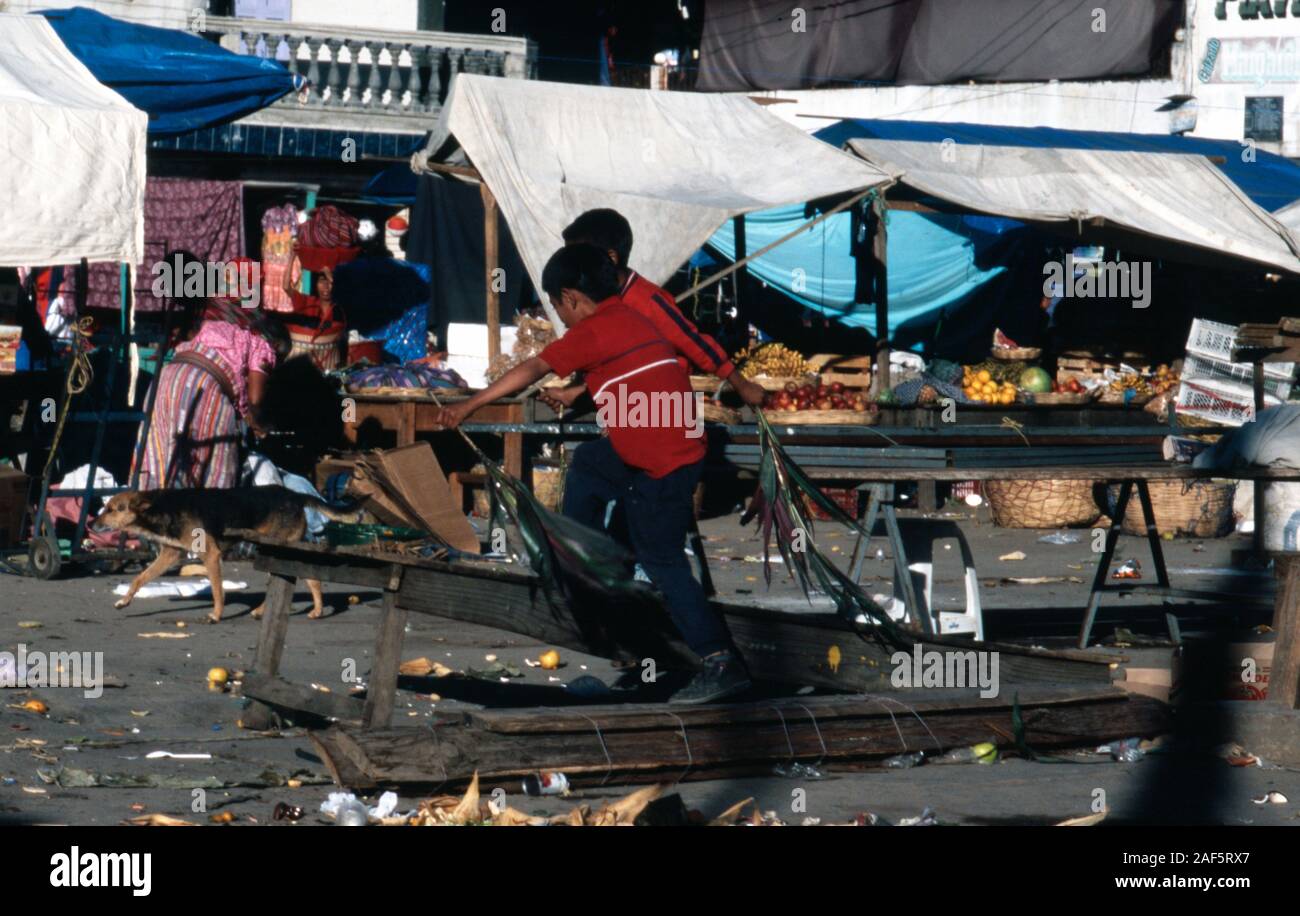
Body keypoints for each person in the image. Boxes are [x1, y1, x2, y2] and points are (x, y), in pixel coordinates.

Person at [435, 244, 751, 704]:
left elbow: (533, 367)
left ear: (572, 297)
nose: (561, 320)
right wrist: (580, 391)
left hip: (663, 460)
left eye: (558, 308)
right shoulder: (628, 317)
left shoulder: (595, 328)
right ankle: (589, 559)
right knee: (589, 463)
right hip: (663, 443)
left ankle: (721, 660)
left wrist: (470, 404)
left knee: (662, 558)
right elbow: (623, 367)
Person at [550, 208, 766, 411]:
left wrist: (742, 385)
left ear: (611, 257)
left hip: (664, 404)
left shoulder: (648, 301)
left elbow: (694, 343)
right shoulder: (596, 302)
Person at [136, 252, 290, 490]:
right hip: (204, 390)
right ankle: (201, 525)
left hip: (165, 383)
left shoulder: (206, 317)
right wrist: (261, 426)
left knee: (163, 462)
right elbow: (256, 399)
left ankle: (154, 520)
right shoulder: (260, 337)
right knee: (208, 481)